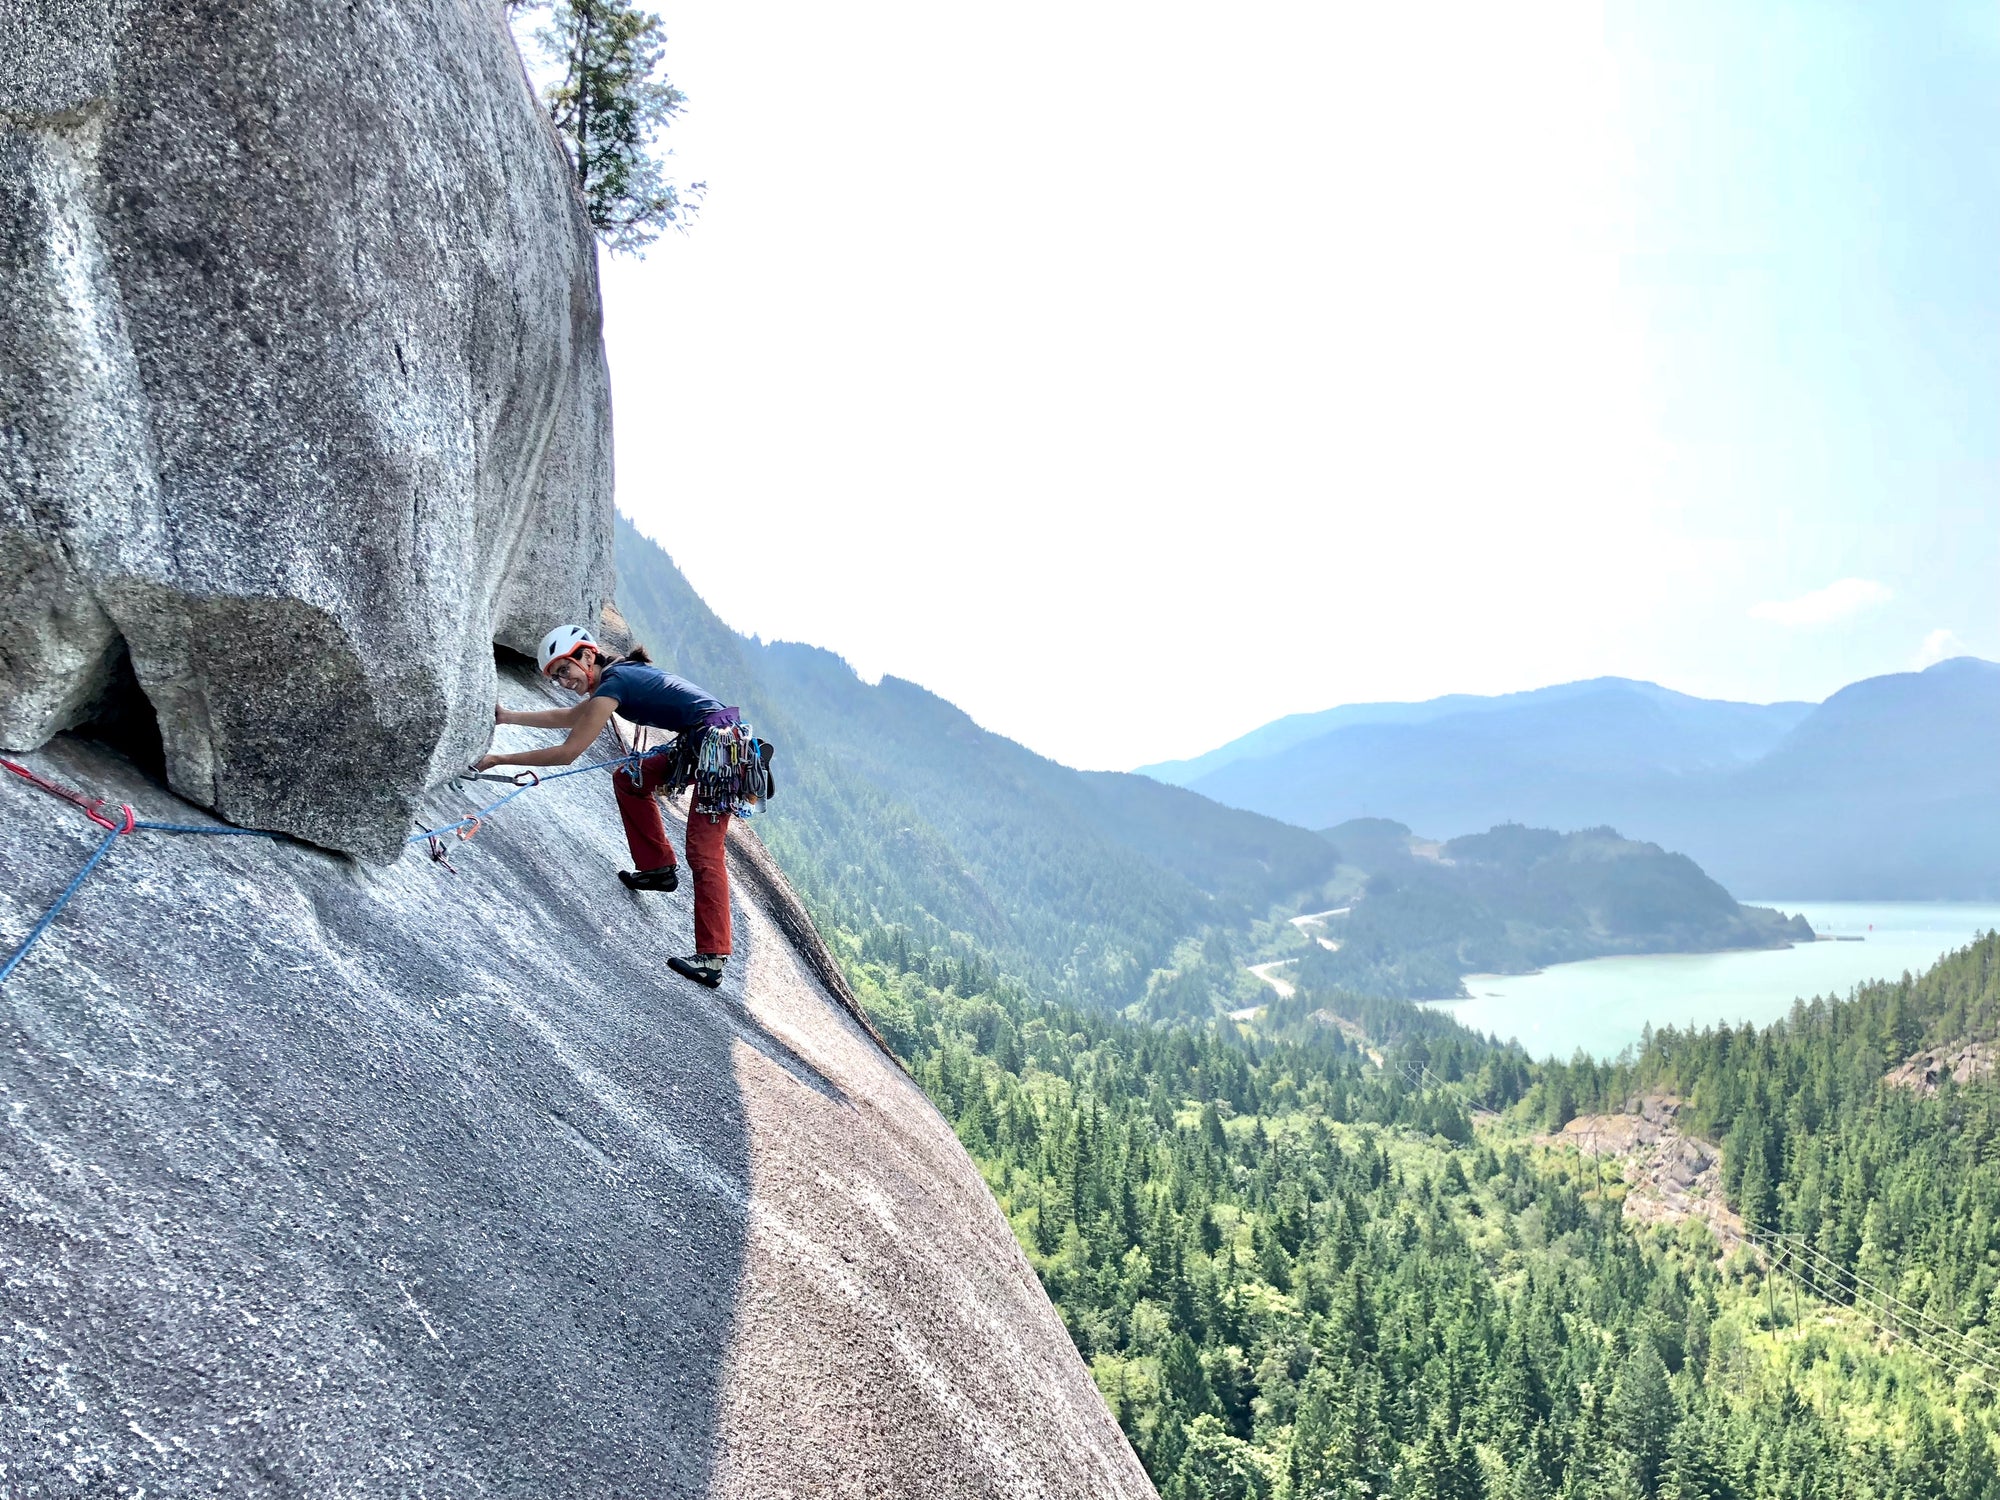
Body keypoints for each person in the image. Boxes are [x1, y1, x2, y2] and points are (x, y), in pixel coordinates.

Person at [477, 624, 737, 989]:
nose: (562, 682)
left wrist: (500, 758)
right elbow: (572, 717)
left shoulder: (614, 682)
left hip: (722, 750)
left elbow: (569, 752)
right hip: (708, 743)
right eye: (555, 677)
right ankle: (657, 869)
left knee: (704, 851)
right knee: (630, 778)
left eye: (564, 670)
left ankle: (712, 957)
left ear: (587, 656)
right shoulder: (615, 678)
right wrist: (507, 717)